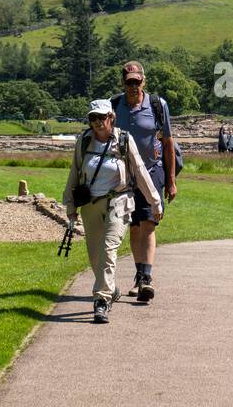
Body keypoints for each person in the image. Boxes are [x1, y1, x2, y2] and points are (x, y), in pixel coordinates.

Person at [63, 100, 163, 324]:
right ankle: (111, 289)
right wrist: (70, 206)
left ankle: (101, 301)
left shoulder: (124, 140)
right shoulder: (84, 141)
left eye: (102, 117)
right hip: (90, 204)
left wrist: (155, 202)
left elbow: (139, 171)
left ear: (111, 117)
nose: (97, 122)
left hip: (118, 201)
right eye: (93, 118)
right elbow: (74, 173)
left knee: (109, 249)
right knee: (95, 257)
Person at [111, 61, 178, 304]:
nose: (132, 86)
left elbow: (168, 142)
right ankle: (139, 277)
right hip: (125, 175)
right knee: (135, 226)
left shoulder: (158, 106)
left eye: (136, 81)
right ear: (123, 82)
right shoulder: (114, 106)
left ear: (143, 81)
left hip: (152, 170)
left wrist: (170, 181)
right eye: (128, 82)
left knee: (148, 223)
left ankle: (147, 279)